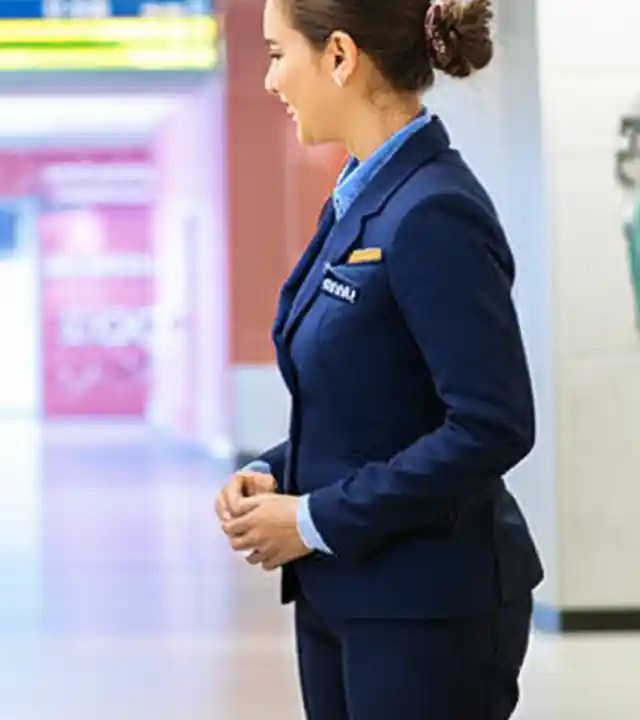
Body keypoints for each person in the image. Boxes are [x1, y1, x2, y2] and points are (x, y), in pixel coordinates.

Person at [215, 1, 542, 718]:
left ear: (339, 56)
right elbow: (377, 401)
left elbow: (492, 425)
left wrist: (309, 519)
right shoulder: (362, 199)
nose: (271, 80)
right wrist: (278, 468)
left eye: (277, 54)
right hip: (346, 592)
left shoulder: (433, 211)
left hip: (429, 608)